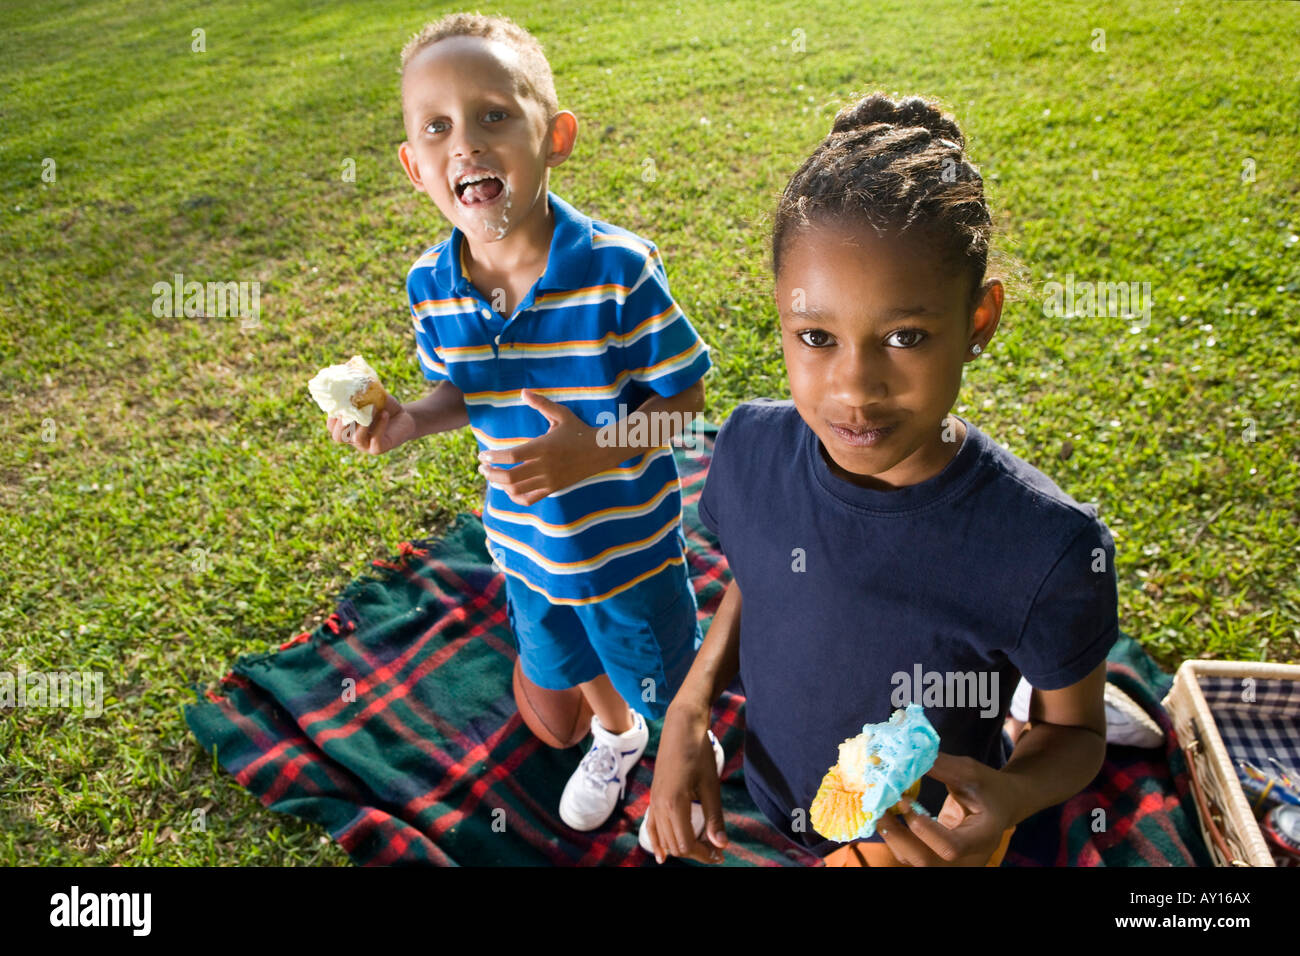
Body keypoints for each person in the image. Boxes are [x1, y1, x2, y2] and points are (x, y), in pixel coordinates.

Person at [644, 92, 1125, 867]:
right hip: (771, 797)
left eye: (905, 336)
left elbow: (1073, 735)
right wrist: (688, 711)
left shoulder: (1046, 548)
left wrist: (1009, 796)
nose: (855, 388)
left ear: (979, 321)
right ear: (779, 317)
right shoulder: (749, 450)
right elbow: (757, 580)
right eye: (817, 337)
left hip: (926, 844)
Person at [325, 13, 712, 832]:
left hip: (629, 546)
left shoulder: (618, 270)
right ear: (414, 167)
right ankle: (617, 734)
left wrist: (598, 453)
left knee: (662, 675)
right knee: (565, 661)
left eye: (494, 114)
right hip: (526, 544)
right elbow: (460, 392)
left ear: (555, 136)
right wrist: (404, 423)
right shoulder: (431, 284)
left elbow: (685, 404)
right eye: (437, 127)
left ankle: (683, 748)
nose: (465, 142)